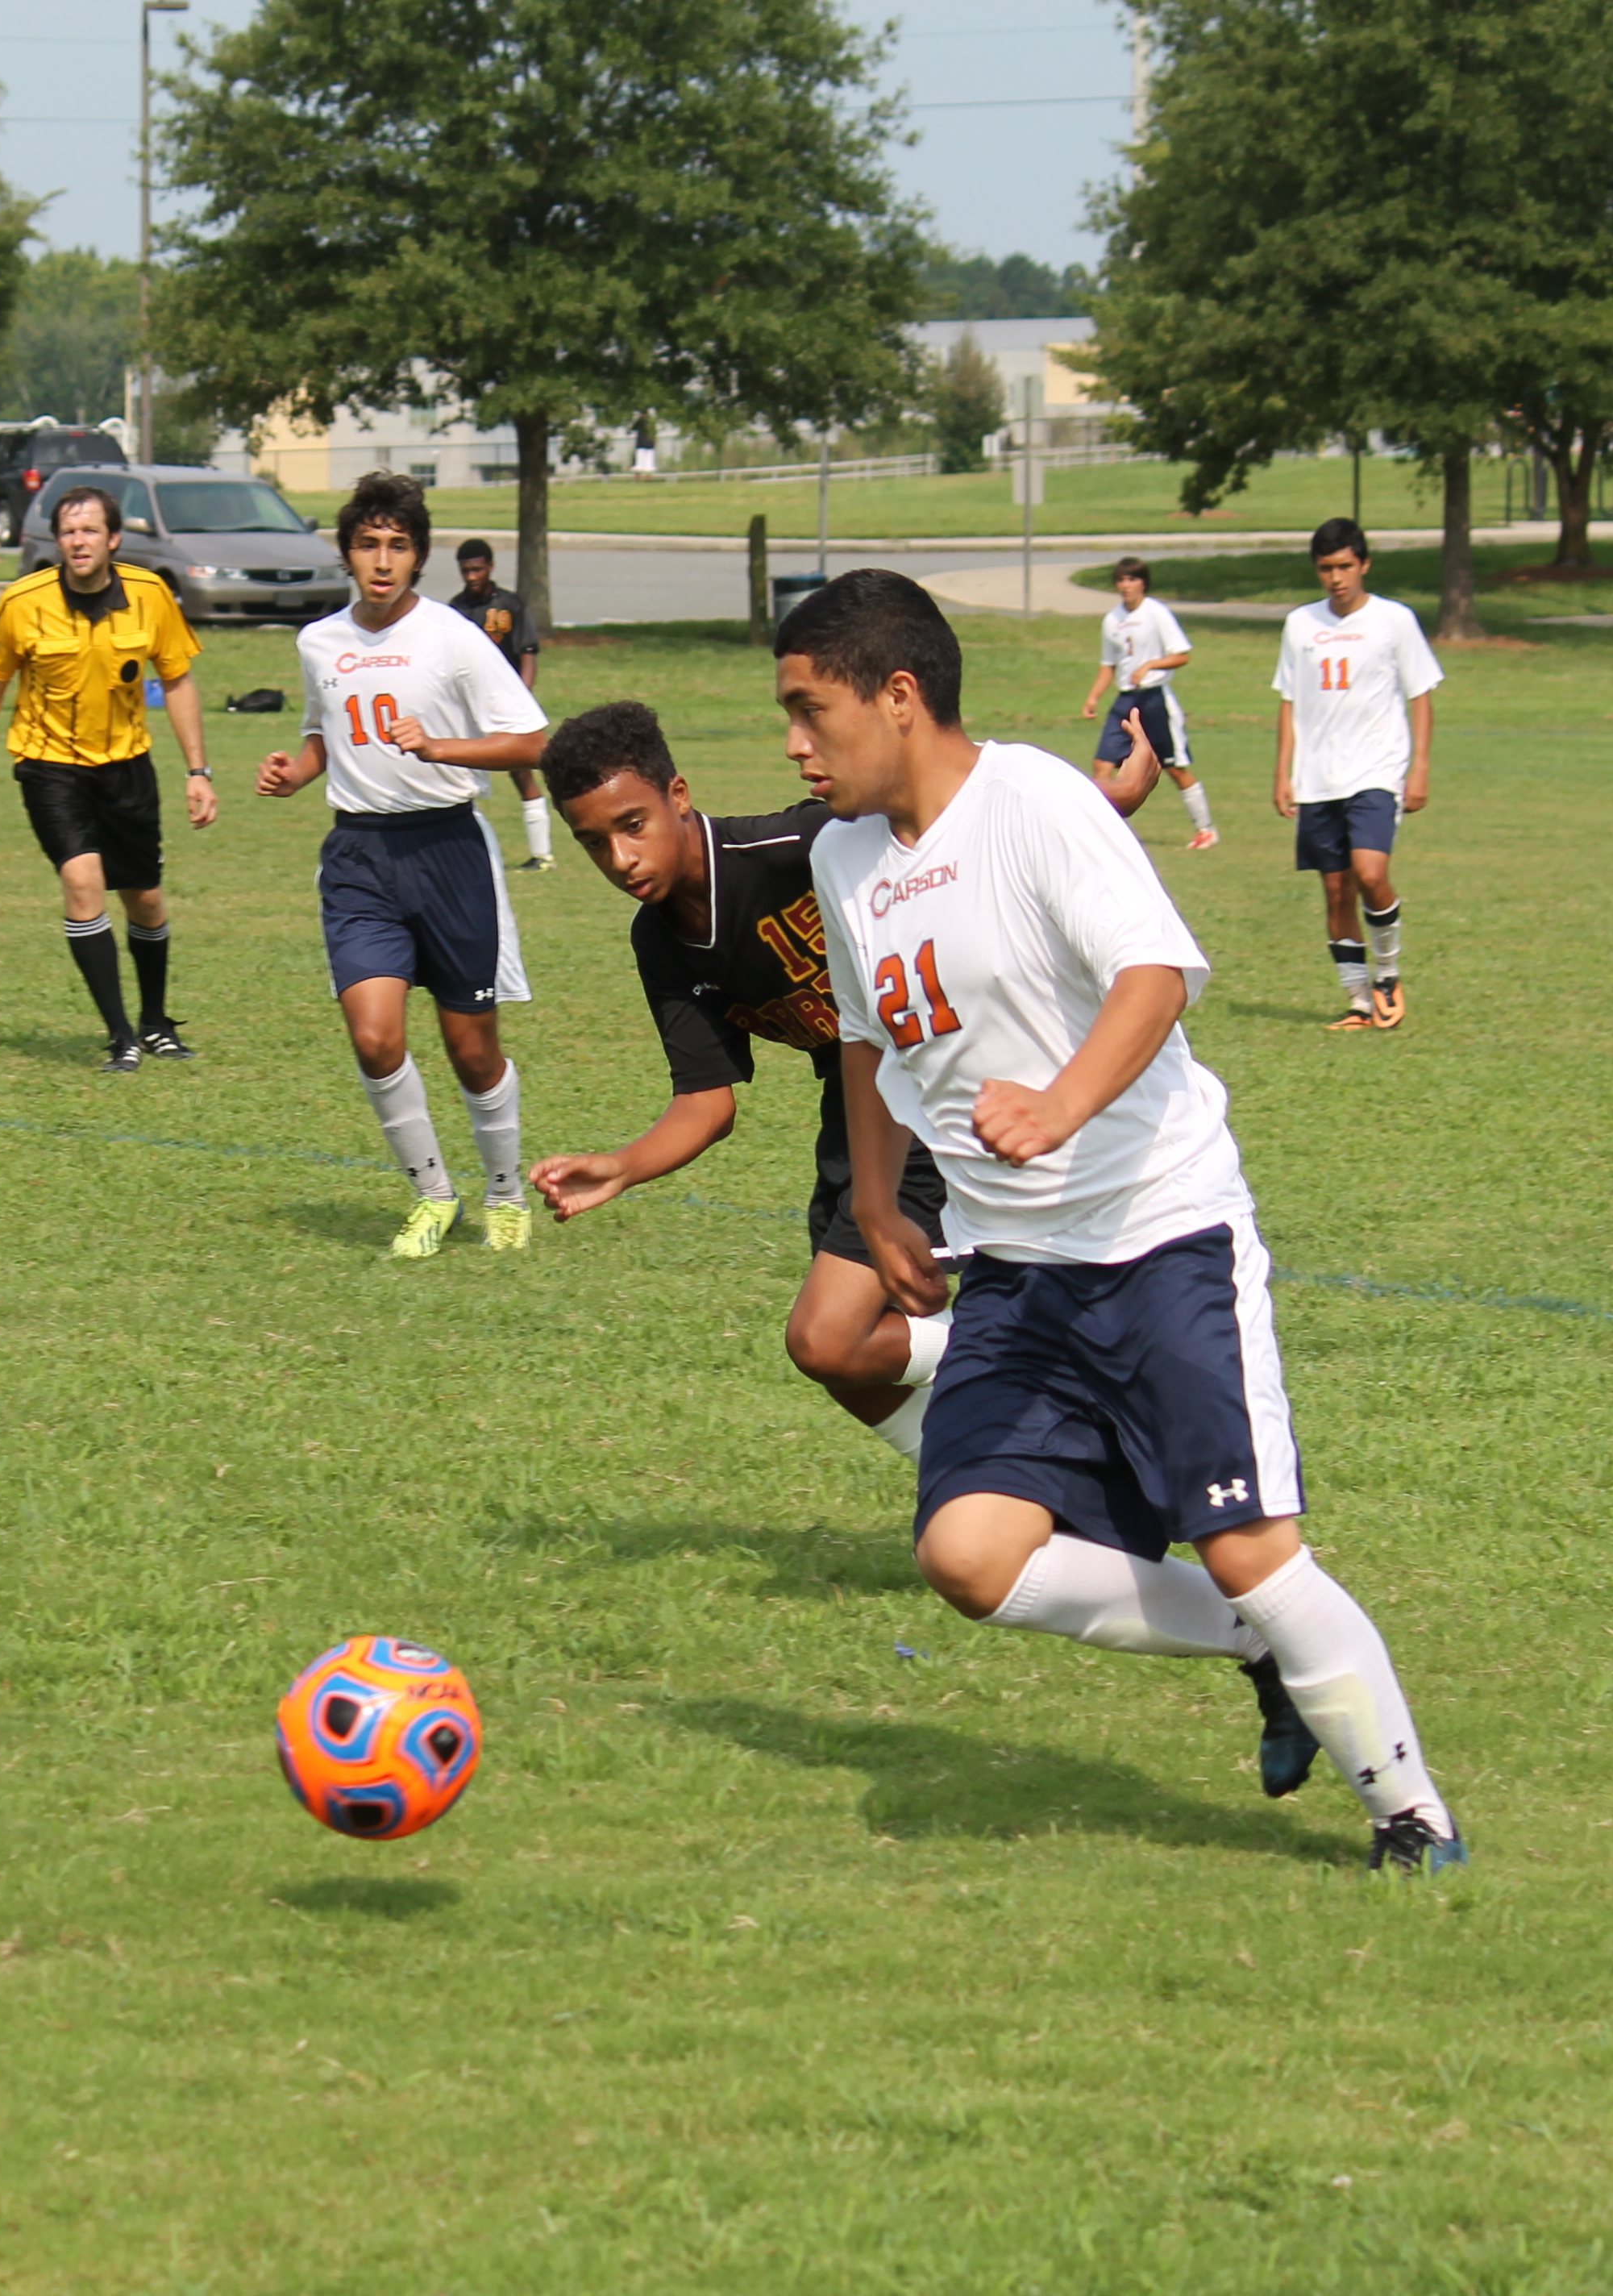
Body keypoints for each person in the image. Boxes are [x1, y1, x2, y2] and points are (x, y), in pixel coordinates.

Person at [786, 568, 1462, 1874]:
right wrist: (874, 1201)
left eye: (812, 711)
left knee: (1248, 1545)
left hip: (1159, 1237)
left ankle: (1407, 1813)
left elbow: (1154, 974)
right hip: (1014, 1273)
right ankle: (1261, 1645)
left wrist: (1057, 1103)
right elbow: (867, 1042)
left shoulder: (1032, 800)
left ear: (900, 696)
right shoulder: (843, 856)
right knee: (969, 1556)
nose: (795, 744)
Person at [526, 700, 956, 1461]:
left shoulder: (796, 845)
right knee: (848, 1365)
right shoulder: (660, 942)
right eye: (593, 843)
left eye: (633, 825)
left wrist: (1106, 804)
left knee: (829, 1337)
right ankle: (991, 1481)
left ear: (679, 797)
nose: (620, 858)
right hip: (858, 1112)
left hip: (943, 1083)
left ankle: (1033, 1363)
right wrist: (622, 1167)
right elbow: (706, 1102)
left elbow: (948, 817)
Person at [256, 472, 550, 1259]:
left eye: (398, 546)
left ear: (418, 558)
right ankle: (433, 1196)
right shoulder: (320, 642)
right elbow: (324, 733)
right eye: (368, 544)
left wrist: (441, 747)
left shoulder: (454, 637)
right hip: (359, 857)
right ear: (348, 553)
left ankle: (504, 1192)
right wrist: (298, 770)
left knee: (472, 1049)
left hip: (448, 851)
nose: (382, 560)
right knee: (376, 1036)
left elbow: (534, 741)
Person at [0, 485, 215, 1069]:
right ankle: (120, 1037)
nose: (78, 541)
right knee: (84, 885)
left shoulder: (150, 596)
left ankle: (154, 1022)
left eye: (90, 530)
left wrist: (199, 771)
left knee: (144, 899)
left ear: (113, 539)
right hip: (49, 768)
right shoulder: (23, 601)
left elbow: (178, 681)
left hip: (127, 766)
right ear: (56, 541)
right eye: (68, 531)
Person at [1274, 518, 1441, 1031]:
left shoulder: (1394, 620)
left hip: (1376, 770)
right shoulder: (1300, 624)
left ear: (1364, 565)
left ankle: (1387, 974)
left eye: (1345, 566)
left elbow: (1421, 695)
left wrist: (1420, 768)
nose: (1336, 578)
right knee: (1336, 891)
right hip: (1318, 776)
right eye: (1326, 568)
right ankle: (1358, 1000)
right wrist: (1282, 774)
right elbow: (1289, 701)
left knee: (1371, 874)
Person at [1082, 556, 1218, 846]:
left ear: (1143, 583)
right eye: (1121, 580)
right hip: (1125, 701)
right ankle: (1108, 834)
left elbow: (1182, 654)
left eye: (1132, 580)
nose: (1125, 586)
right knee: (1102, 763)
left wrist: (1151, 666)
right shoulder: (1112, 620)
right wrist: (1094, 696)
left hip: (1155, 700)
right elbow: (1110, 664)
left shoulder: (1157, 613)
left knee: (1173, 767)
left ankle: (1206, 829)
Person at [447, 539, 554, 870]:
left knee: (522, 774)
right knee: (456, 775)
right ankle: (458, 852)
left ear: (490, 567)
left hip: (503, 704)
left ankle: (543, 855)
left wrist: (520, 698)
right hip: (467, 705)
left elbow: (528, 654)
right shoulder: (455, 609)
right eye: (466, 570)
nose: (472, 576)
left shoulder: (510, 605)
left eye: (477, 569)